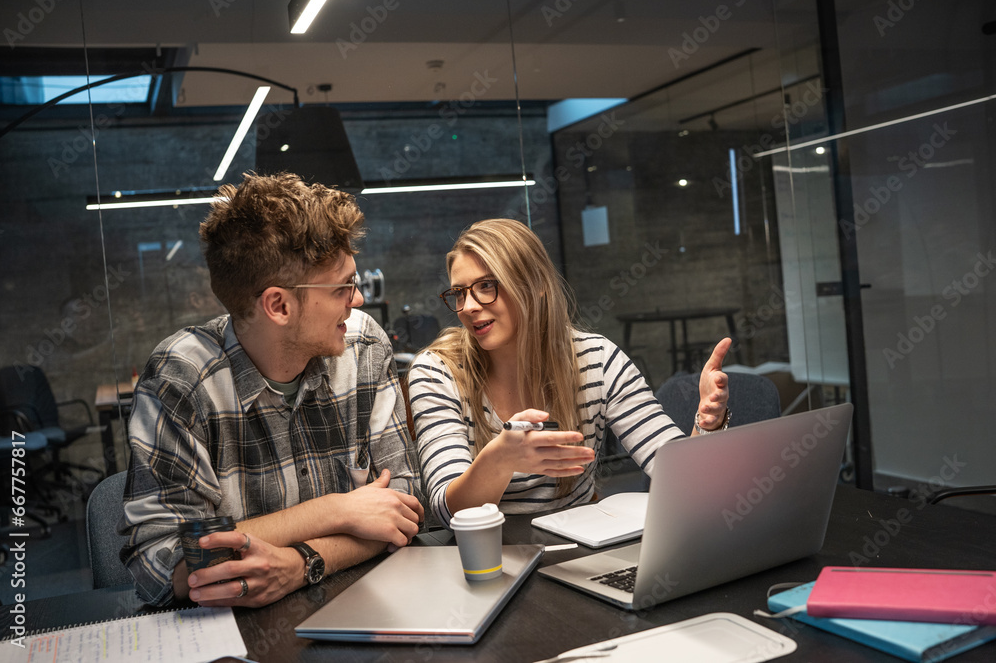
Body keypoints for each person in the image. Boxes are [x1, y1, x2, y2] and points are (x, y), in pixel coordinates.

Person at [121, 172, 424, 608]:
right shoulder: (181, 381)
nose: (356, 301)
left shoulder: (364, 346)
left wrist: (302, 563)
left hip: (358, 606)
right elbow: (165, 564)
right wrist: (337, 510)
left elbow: (404, 510)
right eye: (343, 287)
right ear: (279, 305)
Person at [408, 219, 730, 527]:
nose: (467, 307)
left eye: (486, 286)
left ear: (537, 288)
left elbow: (681, 480)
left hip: (575, 548)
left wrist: (706, 424)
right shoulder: (438, 372)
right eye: (459, 293)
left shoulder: (597, 359)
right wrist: (498, 461)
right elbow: (447, 510)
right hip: (487, 557)